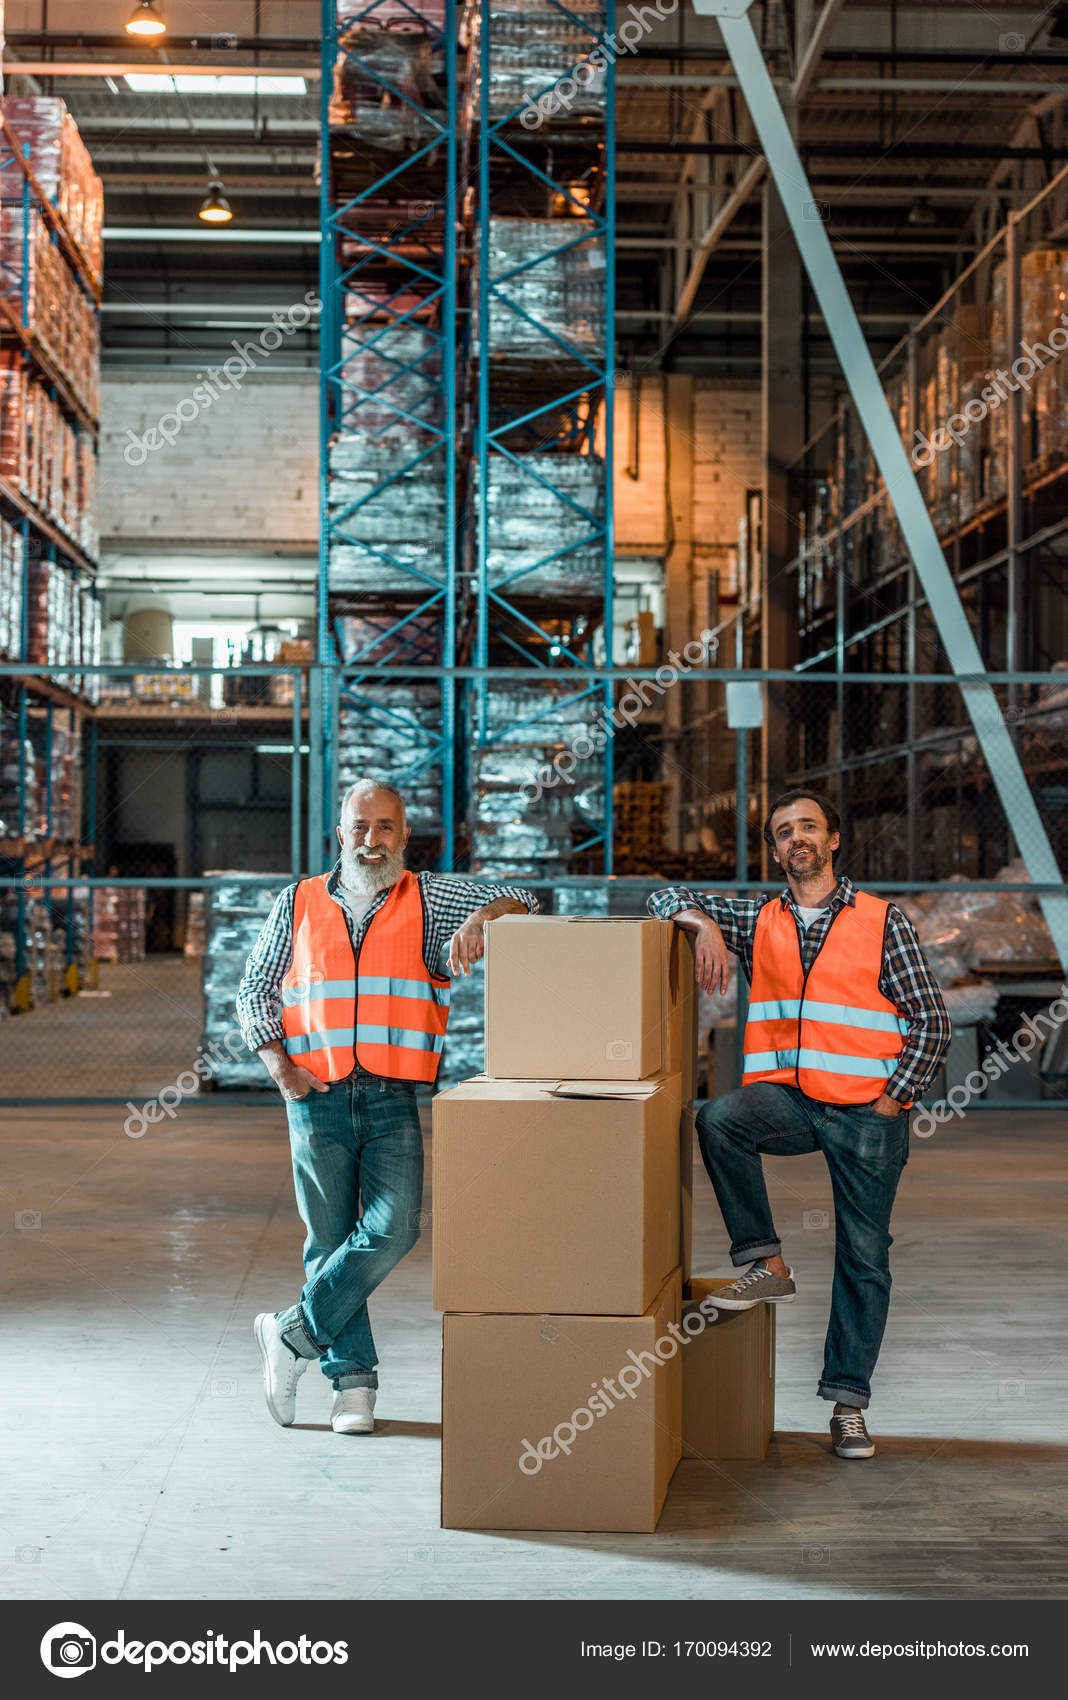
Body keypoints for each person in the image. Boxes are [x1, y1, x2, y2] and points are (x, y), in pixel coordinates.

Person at [648, 790, 951, 1460]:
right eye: (784, 832)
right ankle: (766, 1260)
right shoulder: (759, 919)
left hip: (869, 1111)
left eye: (808, 827)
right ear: (776, 848)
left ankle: (848, 1404)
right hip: (792, 1100)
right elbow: (660, 898)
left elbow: (932, 1020)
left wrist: (894, 1099)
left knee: (864, 1258)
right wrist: (700, 925)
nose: (797, 839)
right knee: (720, 1119)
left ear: (833, 840)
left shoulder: (881, 922)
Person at [236, 778, 538, 1436]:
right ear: (338, 835)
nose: (371, 840)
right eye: (360, 827)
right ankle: (353, 1386)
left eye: (386, 828)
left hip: (392, 1096)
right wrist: (279, 1067)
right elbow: (253, 989)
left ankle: (289, 1332)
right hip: (314, 1098)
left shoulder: (430, 898)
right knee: (330, 1241)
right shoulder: (298, 903)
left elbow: (527, 897)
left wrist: (487, 917)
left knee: (394, 1229)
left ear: (405, 837)